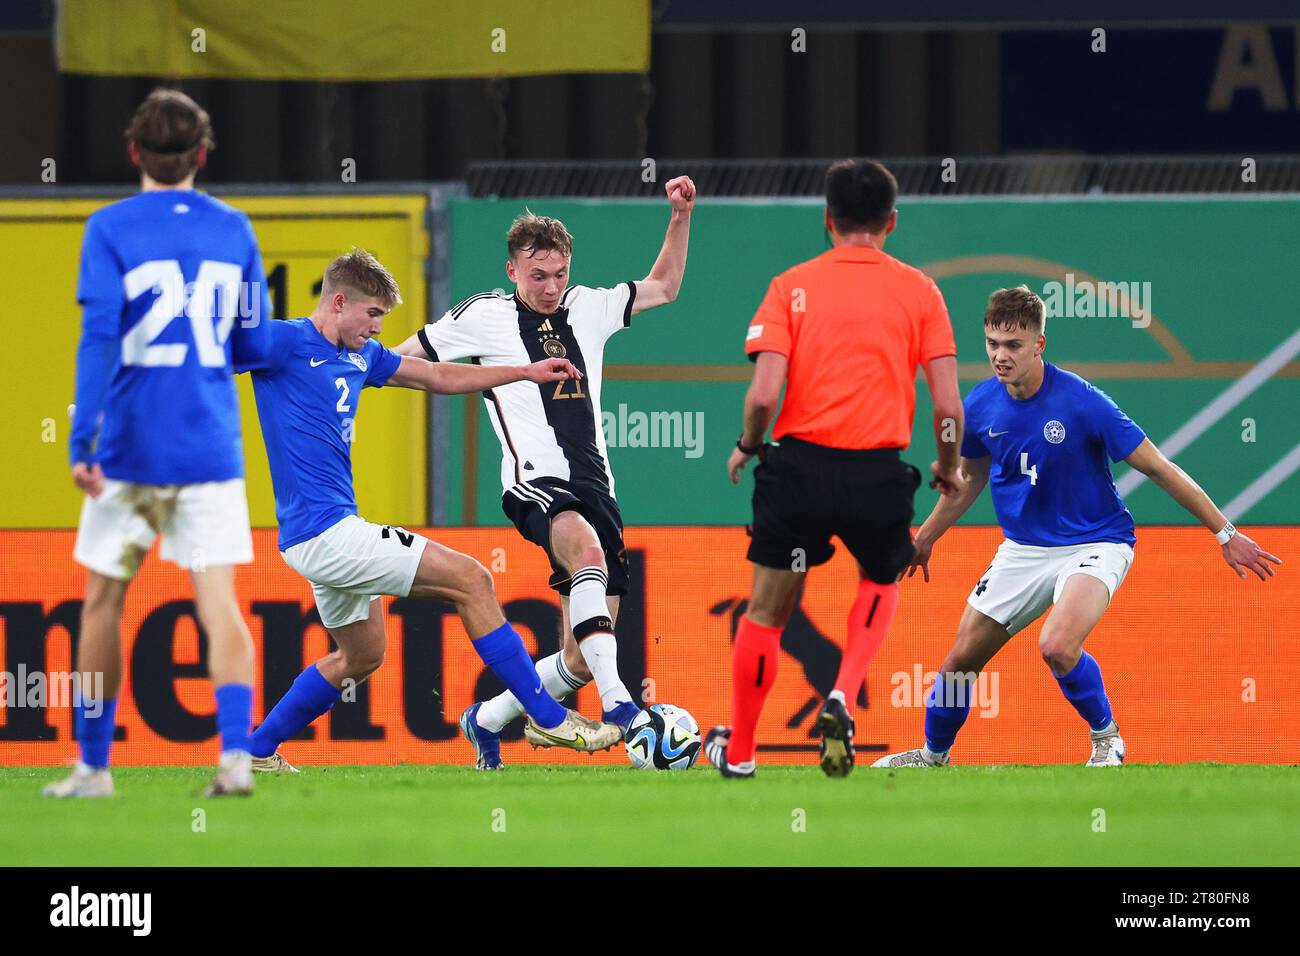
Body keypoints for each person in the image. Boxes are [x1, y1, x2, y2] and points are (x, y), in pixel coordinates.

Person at [239, 249, 623, 771]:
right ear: (338, 302)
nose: (378, 328)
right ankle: (549, 718)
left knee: (361, 654)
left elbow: (436, 376)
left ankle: (257, 752)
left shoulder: (362, 356)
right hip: (327, 534)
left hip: (321, 534)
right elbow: (202, 361)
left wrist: (524, 372)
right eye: (372, 314)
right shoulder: (283, 341)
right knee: (473, 579)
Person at [874, 285, 1281, 769]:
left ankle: (1107, 739)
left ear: (1039, 344)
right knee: (959, 663)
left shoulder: (1084, 402)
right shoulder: (980, 405)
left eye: (1013, 345)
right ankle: (932, 756)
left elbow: (1158, 468)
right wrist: (925, 537)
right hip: (1023, 549)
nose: (1000, 356)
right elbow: (970, 480)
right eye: (992, 344)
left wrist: (1226, 533)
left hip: (1097, 542)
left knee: (1057, 646)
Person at [395, 176, 696, 769]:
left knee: (579, 659)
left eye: (560, 274)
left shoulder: (589, 306)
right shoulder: (483, 315)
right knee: (586, 551)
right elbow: (405, 358)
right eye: (538, 276)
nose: (552, 286)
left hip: (598, 488)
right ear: (512, 271)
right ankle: (623, 710)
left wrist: (680, 216)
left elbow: (664, 286)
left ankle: (486, 719)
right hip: (534, 481)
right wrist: (345, 369)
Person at [705, 158, 965, 780]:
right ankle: (844, 694)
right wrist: (948, 465)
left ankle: (741, 753)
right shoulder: (921, 291)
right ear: (891, 222)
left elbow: (763, 396)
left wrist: (748, 443)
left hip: (799, 471)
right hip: (877, 476)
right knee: (880, 580)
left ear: (828, 219)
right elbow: (949, 408)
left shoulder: (790, 285)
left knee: (767, 612)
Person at [48, 88, 270, 798]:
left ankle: (93, 767)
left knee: (102, 602)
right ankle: (235, 761)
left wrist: (82, 439)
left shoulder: (109, 227)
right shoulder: (234, 229)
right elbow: (252, 340)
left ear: (132, 151)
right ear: (202, 153)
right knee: (219, 603)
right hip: (207, 448)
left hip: (130, 451)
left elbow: (99, 336)